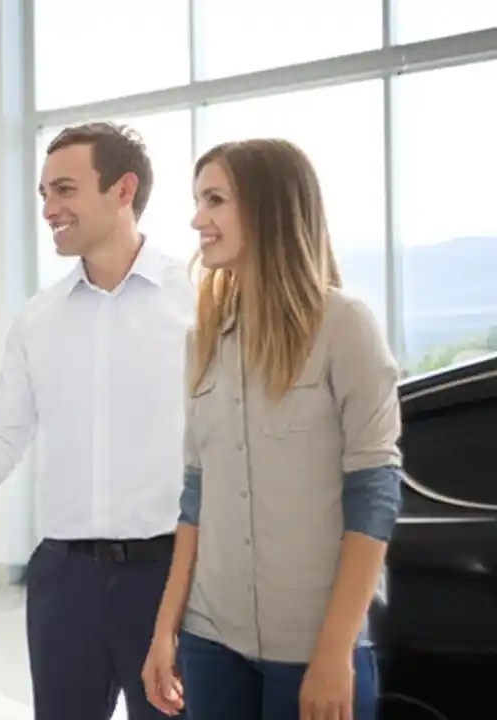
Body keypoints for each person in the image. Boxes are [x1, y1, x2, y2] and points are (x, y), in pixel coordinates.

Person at [0, 122, 195, 720]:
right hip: (65, 581)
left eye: (64, 190)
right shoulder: (40, 319)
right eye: (42, 194)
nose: (49, 209)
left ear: (123, 190)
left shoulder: (198, 301)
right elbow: (1, 433)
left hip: (170, 578)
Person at [140, 138, 403, 720]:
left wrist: (335, 651)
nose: (196, 219)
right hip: (212, 640)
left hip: (313, 646)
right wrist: (165, 632)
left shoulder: (346, 327)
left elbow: (375, 495)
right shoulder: (201, 342)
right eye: (197, 200)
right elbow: (195, 498)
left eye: (214, 200)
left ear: (268, 208)